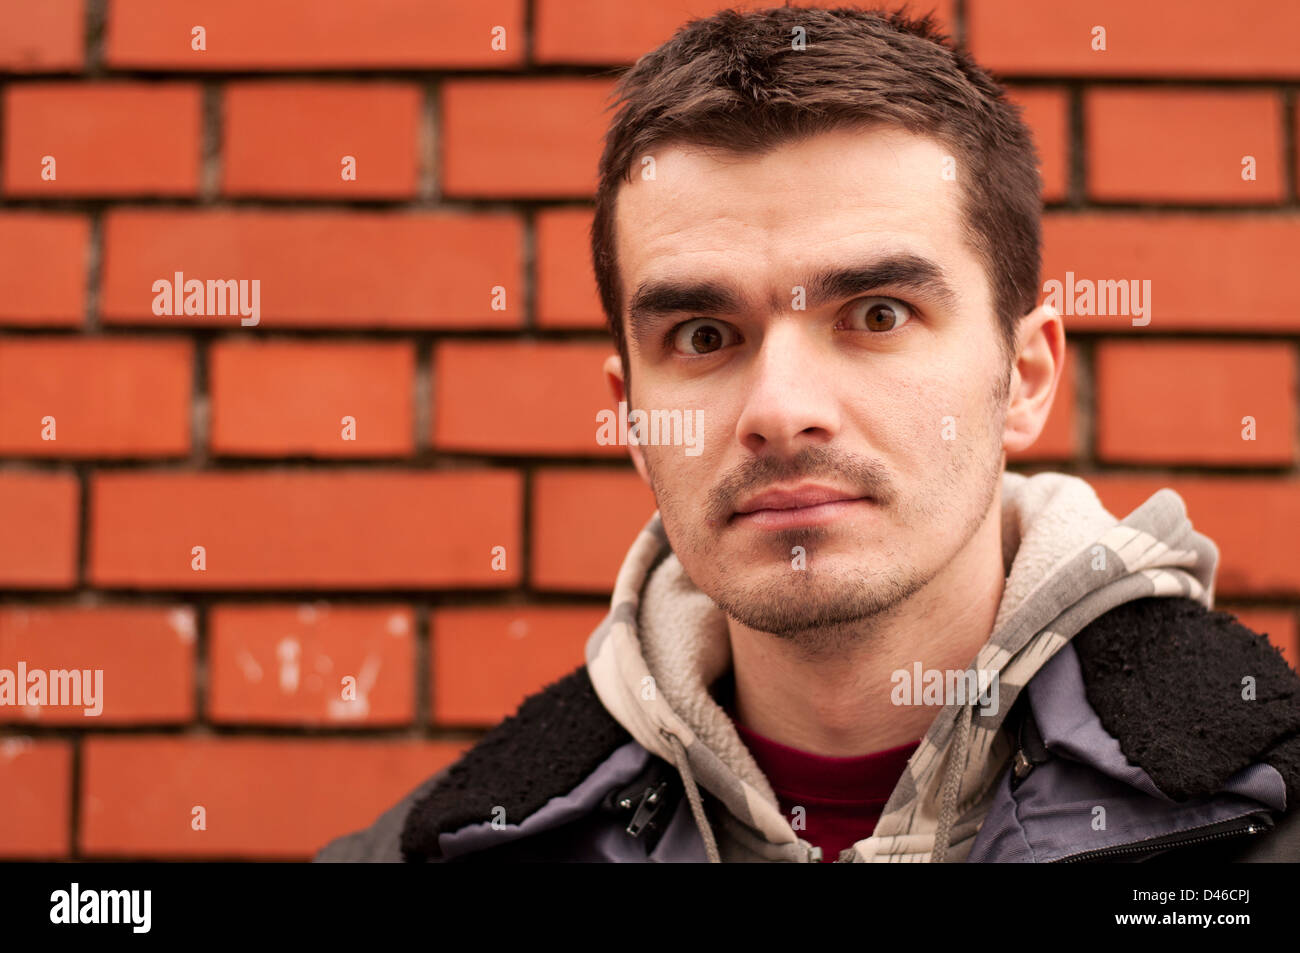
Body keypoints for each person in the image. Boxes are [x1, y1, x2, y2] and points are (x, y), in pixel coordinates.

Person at [316, 5, 1300, 863]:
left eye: (875, 314)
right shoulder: (452, 848)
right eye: (704, 335)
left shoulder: (1267, 810)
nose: (779, 410)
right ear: (630, 413)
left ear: (1023, 377)